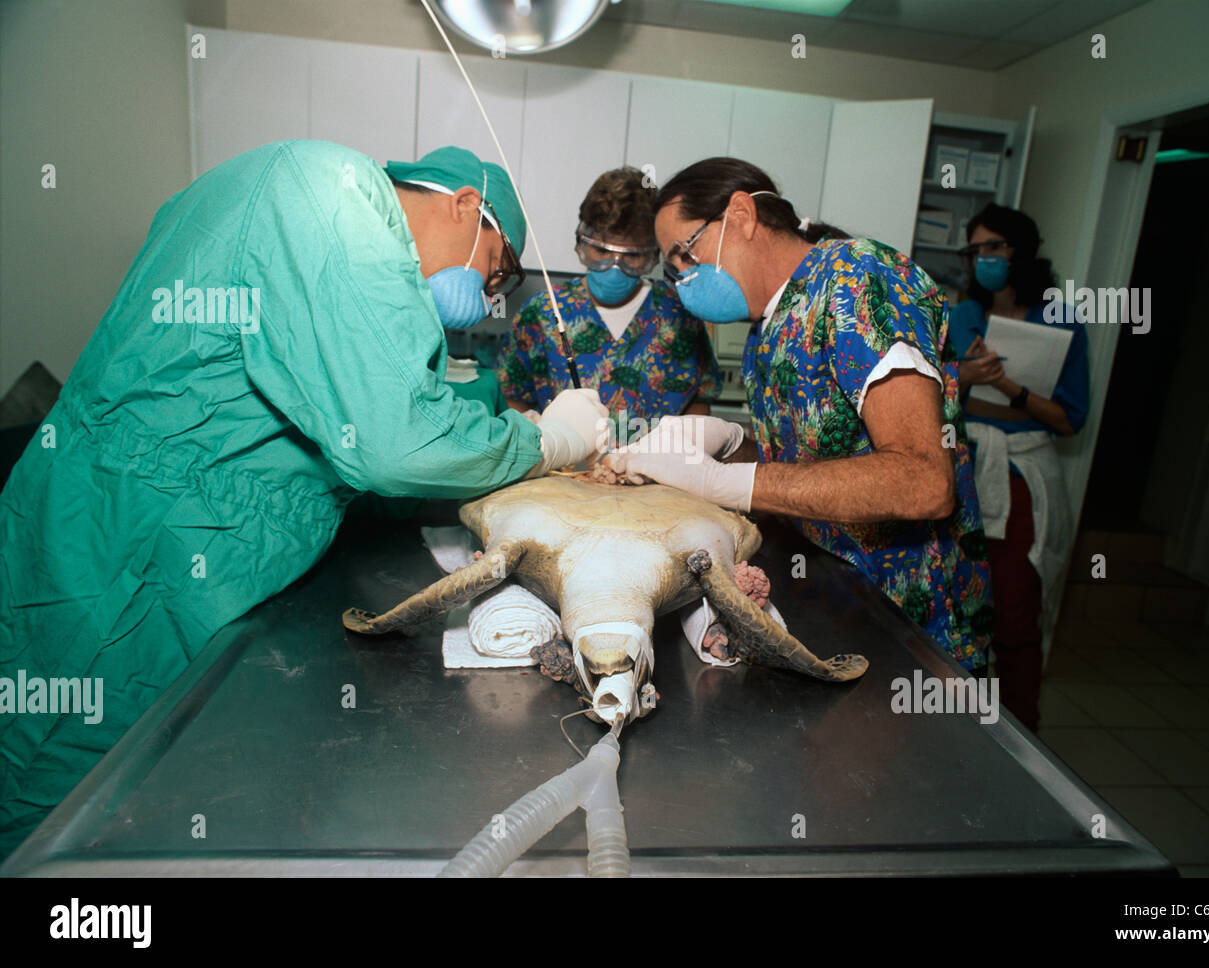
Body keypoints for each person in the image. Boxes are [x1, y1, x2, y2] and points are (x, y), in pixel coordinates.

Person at [0, 141, 607, 858]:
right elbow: (393, 441)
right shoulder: (327, 200)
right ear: (468, 206)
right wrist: (548, 444)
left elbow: (344, 453)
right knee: (55, 796)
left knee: (119, 803)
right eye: (496, 268)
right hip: (121, 540)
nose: (489, 291)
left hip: (172, 538)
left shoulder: (330, 219)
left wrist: (491, 454)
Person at [606, 158, 993, 671]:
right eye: (670, 270)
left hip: (914, 621)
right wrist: (724, 444)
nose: (681, 280)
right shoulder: (766, 329)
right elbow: (804, 465)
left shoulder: (857, 280)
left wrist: (727, 481)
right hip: (836, 593)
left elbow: (923, 481)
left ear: (741, 215)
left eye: (685, 253)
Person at [948, 204, 1089, 733]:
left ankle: (1022, 732)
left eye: (994, 247)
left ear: (1020, 252)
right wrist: (963, 376)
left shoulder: (1060, 320)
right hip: (965, 472)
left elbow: (1069, 419)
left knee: (1013, 608)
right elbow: (940, 396)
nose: (983, 259)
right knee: (961, 604)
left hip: (1020, 479)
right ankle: (964, 725)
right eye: (975, 249)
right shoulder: (963, 316)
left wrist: (1011, 390)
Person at [496, 167, 722, 438]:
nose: (615, 267)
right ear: (582, 242)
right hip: (561, 474)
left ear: (652, 253)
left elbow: (699, 402)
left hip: (655, 476)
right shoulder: (542, 314)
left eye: (632, 255)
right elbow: (512, 400)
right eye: (602, 251)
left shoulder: (680, 314)